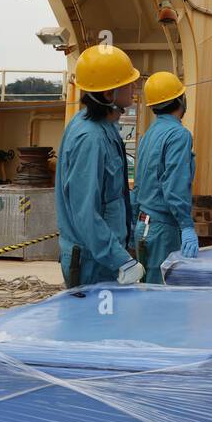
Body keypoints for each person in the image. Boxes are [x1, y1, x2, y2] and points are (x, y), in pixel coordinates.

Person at [55, 43, 143, 288]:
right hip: (93, 262)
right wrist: (121, 260)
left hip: (103, 256)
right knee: (94, 325)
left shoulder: (103, 127)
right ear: (108, 95)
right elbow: (85, 212)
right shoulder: (90, 138)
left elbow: (114, 196)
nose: (134, 86)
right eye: (128, 82)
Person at [133, 71, 199, 283]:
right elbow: (175, 186)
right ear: (180, 100)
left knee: (148, 298)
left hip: (143, 226)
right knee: (163, 304)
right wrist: (186, 225)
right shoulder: (179, 135)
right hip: (163, 230)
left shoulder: (148, 135)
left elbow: (139, 185)